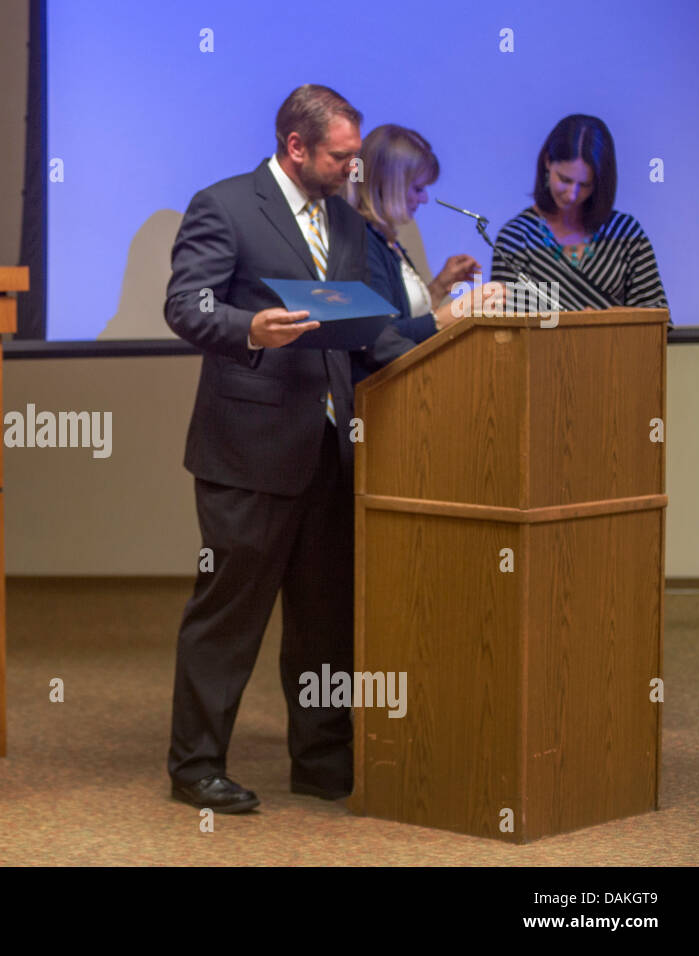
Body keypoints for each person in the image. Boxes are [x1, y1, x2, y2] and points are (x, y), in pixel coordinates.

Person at [165, 85, 411, 812]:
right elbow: (186, 305)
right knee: (230, 614)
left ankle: (323, 758)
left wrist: (444, 340)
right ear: (296, 147)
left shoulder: (346, 221)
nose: (352, 169)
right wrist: (249, 327)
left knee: (326, 619)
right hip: (249, 451)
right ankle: (197, 766)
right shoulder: (226, 204)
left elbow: (371, 324)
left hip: (333, 448)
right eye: (341, 157)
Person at [346, 124, 503, 352]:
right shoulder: (363, 243)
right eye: (418, 189)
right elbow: (380, 339)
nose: (425, 199)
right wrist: (453, 313)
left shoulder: (386, 239)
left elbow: (402, 320)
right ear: (391, 186)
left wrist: (439, 288)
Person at [492, 114, 668, 313]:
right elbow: (504, 329)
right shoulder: (516, 237)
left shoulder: (626, 233)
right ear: (547, 162)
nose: (572, 194)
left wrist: (609, 319)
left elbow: (655, 319)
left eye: (584, 185)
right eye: (565, 180)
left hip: (617, 344)